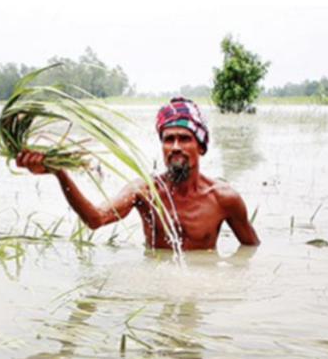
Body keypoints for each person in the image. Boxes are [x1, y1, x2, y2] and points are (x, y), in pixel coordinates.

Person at [16, 96, 260, 251]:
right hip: (157, 287)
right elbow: (96, 219)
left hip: (202, 289)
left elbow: (250, 253)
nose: (175, 146)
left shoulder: (225, 199)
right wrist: (60, 174)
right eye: (168, 139)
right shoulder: (145, 192)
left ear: (201, 146)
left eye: (184, 138)